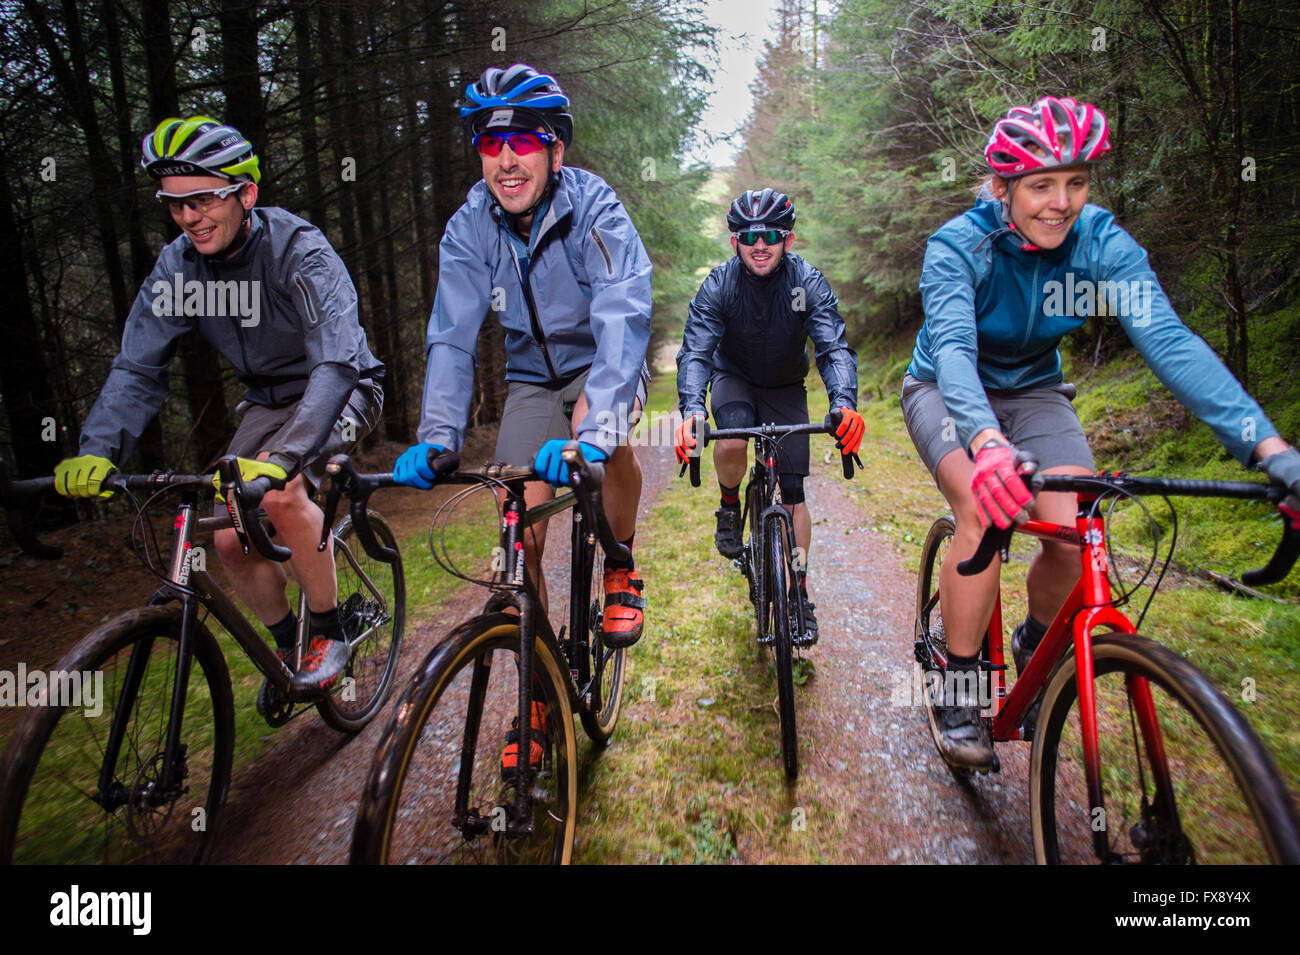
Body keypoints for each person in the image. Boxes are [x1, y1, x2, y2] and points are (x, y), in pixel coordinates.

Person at [903, 95, 1300, 771]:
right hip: (945, 386)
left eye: (1077, 182)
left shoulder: (1100, 241)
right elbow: (955, 353)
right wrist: (988, 444)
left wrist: (1269, 447)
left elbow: (1169, 341)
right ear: (1001, 188)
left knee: (1075, 523)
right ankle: (959, 682)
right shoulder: (958, 246)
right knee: (981, 503)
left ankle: (1035, 641)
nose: (1062, 202)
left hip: (1034, 389)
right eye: (1041, 185)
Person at [53, 116, 385, 694]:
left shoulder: (296, 250)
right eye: (176, 204)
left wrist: (285, 455)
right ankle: (290, 646)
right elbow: (137, 366)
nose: (190, 217)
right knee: (229, 537)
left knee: (280, 492)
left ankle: (331, 631)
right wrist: (99, 449)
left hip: (340, 386)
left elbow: (336, 363)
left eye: (203, 199)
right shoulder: (180, 267)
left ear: (246, 193)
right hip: (266, 401)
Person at [394, 65, 651, 643]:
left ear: (554, 152)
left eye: (524, 142)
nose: (506, 160)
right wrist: (439, 434)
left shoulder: (596, 209)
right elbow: (452, 335)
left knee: (604, 446)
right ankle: (540, 687)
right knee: (517, 539)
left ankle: (620, 564)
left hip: (597, 366)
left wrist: (596, 430)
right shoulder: (469, 227)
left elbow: (622, 311)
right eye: (491, 143)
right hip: (532, 381)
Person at [674, 188, 862, 644]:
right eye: (749, 235)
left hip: (783, 385)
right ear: (734, 240)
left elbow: (832, 345)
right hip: (733, 376)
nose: (760, 244)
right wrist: (693, 409)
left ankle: (798, 591)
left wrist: (844, 402)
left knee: (794, 493)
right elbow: (696, 351)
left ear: (789, 239)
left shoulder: (807, 282)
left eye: (772, 235)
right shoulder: (719, 284)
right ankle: (729, 503)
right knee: (733, 438)